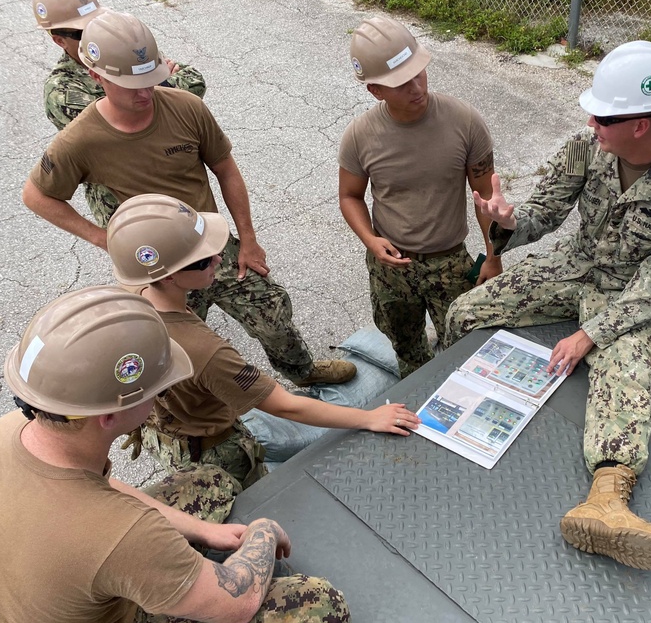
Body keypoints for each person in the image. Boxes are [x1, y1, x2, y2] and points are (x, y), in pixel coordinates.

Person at [0, 286, 350, 623]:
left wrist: (203, 530)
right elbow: (239, 603)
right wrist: (264, 531)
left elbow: (102, 488)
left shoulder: (10, 431)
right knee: (319, 607)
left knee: (211, 483)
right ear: (110, 414)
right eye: (157, 388)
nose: (161, 394)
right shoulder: (121, 534)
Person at [445, 41, 651, 570]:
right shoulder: (586, 148)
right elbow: (544, 212)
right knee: (466, 311)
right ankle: (452, 406)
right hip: (576, 265)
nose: (592, 121)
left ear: (641, 123)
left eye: (604, 116)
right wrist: (506, 220)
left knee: (626, 375)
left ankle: (606, 503)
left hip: (630, 294)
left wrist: (591, 333)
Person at [21, 10, 355, 388]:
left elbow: (225, 168)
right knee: (176, 350)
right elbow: (36, 196)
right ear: (96, 76)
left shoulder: (185, 107)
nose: (147, 93)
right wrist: (103, 238)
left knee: (271, 311)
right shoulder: (81, 139)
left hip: (210, 242)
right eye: (133, 86)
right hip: (158, 269)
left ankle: (302, 371)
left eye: (152, 79)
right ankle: (205, 416)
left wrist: (248, 239)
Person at [107, 194, 420, 488]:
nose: (218, 259)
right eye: (203, 260)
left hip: (165, 434)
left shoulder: (128, 299)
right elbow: (288, 408)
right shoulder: (205, 351)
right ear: (167, 277)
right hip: (213, 452)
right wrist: (369, 418)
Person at [339, 16, 501, 378]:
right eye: (401, 82)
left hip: (450, 265)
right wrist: (370, 240)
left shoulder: (464, 122)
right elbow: (350, 196)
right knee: (407, 348)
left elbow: (486, 196)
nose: (417, 87)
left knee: (463, 351)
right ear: (375, 90)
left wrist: (493, 257)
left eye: (419, 73)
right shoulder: (360, 136)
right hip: (391, 267)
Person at [32, 0, 207, 220]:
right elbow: (122, 128)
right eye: (83, 32)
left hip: (177, 182)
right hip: (126, 208)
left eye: (98, 22)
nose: (96, 34)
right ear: (59, 40)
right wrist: (161, 80)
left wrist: (152, 85)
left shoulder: (120, 49)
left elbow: (195, 82)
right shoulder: (61, 91)